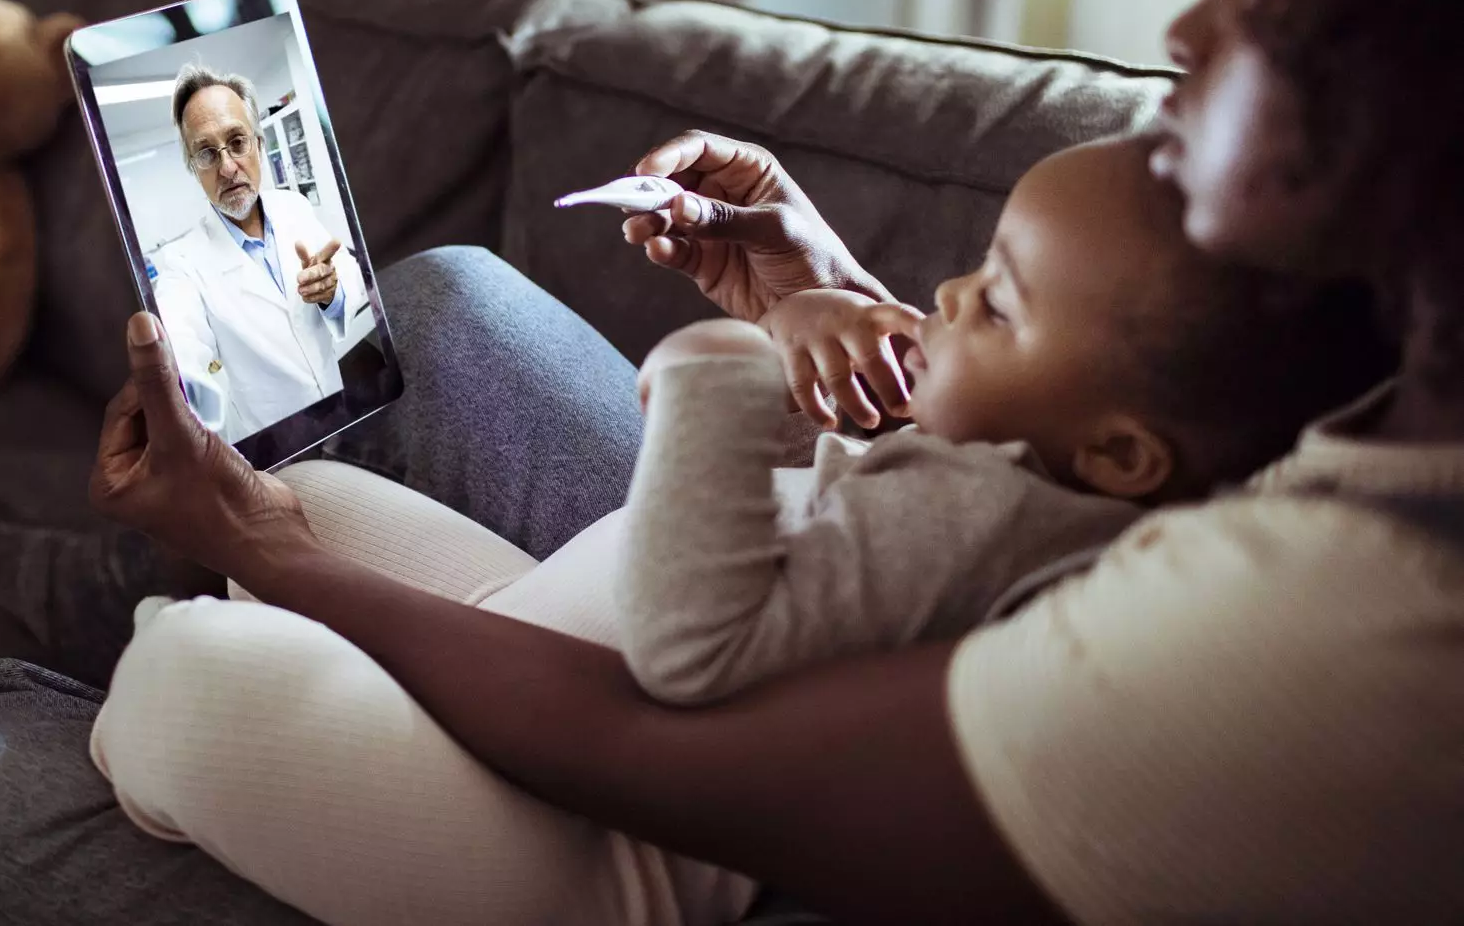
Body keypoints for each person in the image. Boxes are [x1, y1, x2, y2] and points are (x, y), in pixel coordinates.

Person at [0, 0, 1464, 926]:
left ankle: (149, 613)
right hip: (746, 656)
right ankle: (144, 574)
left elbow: (661, 734)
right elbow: (1033, 488)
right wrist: (826, 292)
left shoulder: (1341, 638)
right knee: (443, 305)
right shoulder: (1349, 358)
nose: (1185, 26)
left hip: (678, 823)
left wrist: (720, 367)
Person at [79, 137, 1389, 926]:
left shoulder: (998, 522)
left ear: (1115, 456)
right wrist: (822, 311)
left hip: (591, 839)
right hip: (556, 637)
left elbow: (691, 648)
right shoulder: (1049, 480)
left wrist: (727, 364)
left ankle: (131, 667)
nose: (945, 292)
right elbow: (877, 514)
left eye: (996, 301)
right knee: (334, 491)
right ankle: (195, 594)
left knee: (183, 673)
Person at [151, 63, 364, 443]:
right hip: (278, 448)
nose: (228, 167)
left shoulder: (293, 206)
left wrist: (332, 293)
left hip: (341, 404)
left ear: (260, 145)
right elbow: (181, 350)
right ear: (193, 168)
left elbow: (348, 276)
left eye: (237, 142)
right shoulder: (182, 265)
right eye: (206, 154)